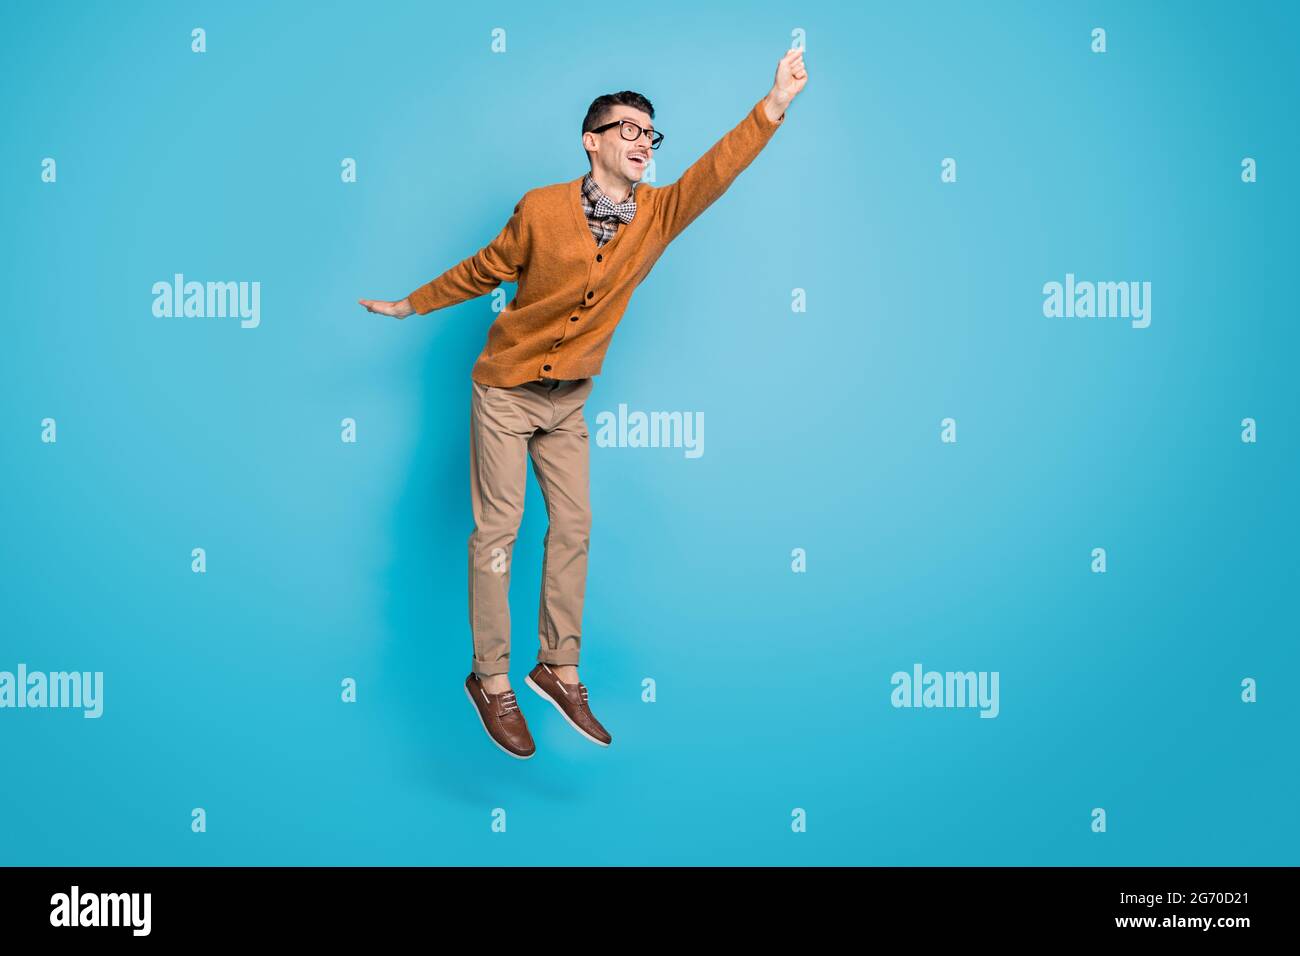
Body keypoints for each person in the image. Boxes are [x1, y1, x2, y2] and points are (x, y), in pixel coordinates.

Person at [359, 49, 808, 758]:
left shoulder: (657, 215)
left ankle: (558, 668)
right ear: (591, 140)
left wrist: (774, 101)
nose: (641, 140)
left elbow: (718, 170)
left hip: (566, 402)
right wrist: (412, 305)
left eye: (650, 132)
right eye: (626, 128)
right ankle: (491, 678)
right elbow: (486, 267)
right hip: (505, 392)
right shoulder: (541, 209)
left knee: (574, 527)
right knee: (497, 533)